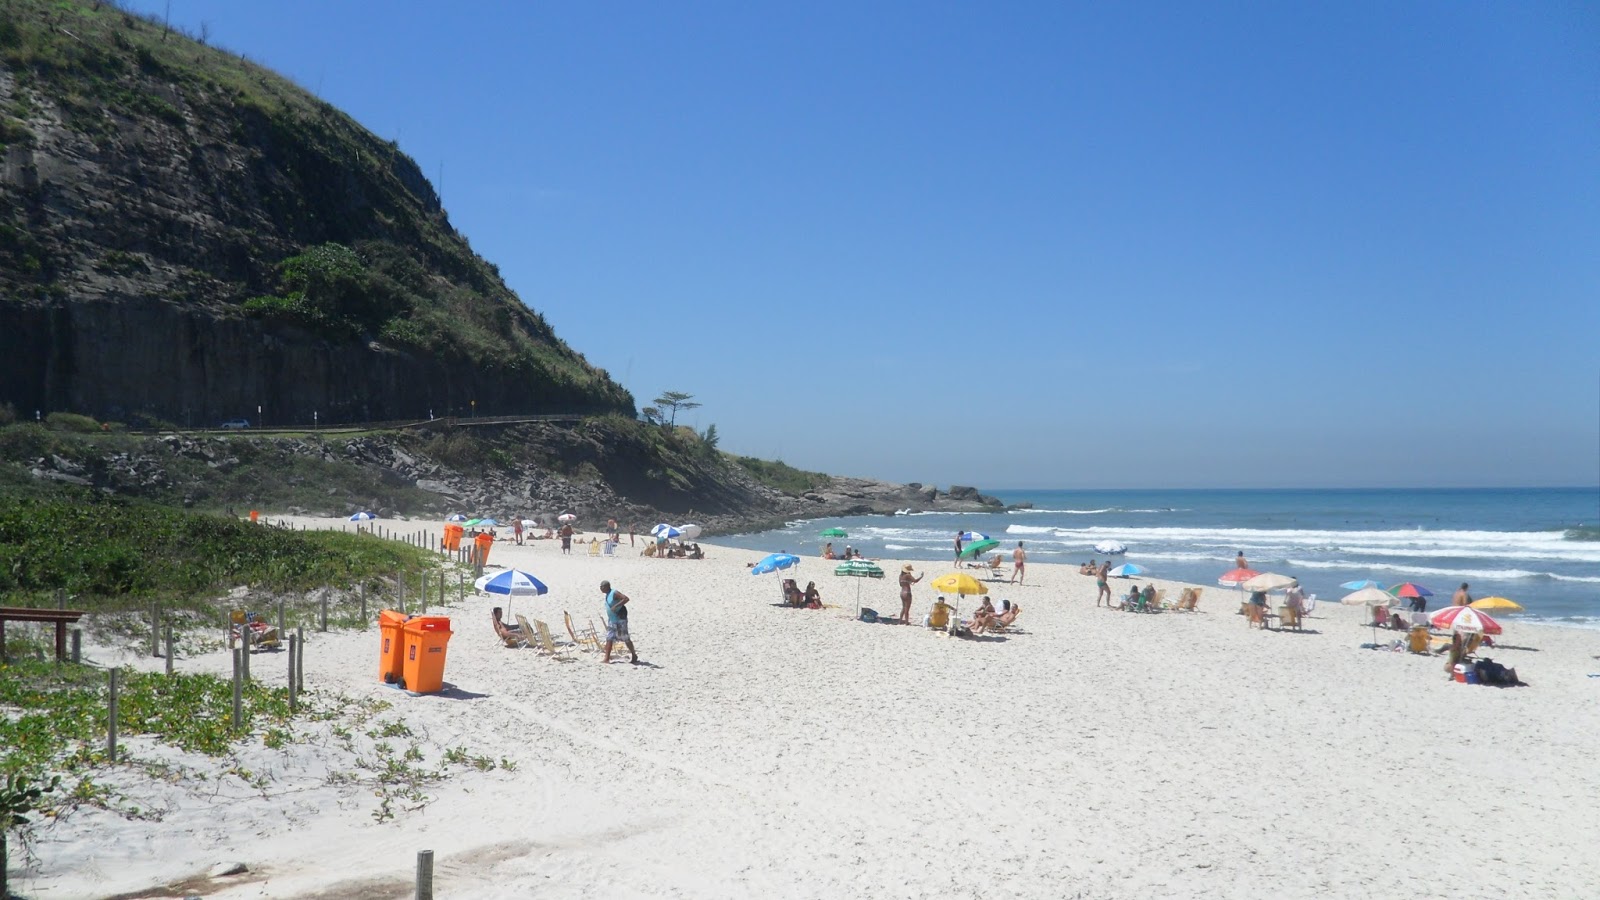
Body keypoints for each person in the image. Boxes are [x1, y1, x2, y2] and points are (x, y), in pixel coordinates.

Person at [601, 580, 639, 664]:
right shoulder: (607, 595)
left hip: (620, 620)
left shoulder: (614, 593)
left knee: (625, 638)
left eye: (602, 587)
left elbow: (626, 598)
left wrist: (616, 606)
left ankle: (634, 655)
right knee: (609, 638)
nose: (601, 588)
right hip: (612, 620)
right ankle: (606, 659)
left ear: (606, 586)